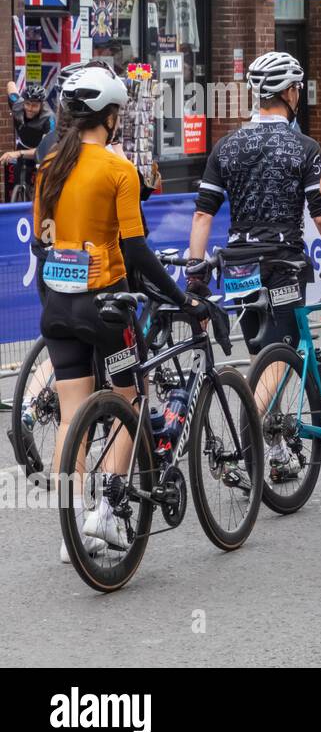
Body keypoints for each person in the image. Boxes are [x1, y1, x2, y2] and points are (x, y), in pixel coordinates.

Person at [35, 67, 196, 562]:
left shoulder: (49, 166)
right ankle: (104, 513)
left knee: (71, 416)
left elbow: (43, 241)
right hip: (106, 305)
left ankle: (71, 529)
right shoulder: (117, 169)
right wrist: (181, 298)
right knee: (131, 401)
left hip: (57, 303)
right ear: (108, 116)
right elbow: (136, 251)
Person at [190, 52, 321, 483]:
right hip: (282, 264)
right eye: (298, 88)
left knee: (265, 357)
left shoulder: (227, 145)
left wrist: (194, 271)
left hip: (238, 265)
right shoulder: (304, 148)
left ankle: (278, 451)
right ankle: (246, 450)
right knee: (279, 361)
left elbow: (203, 214)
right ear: (289, 92)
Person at [3, 81, 54, 197]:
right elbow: (10, 84)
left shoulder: (49, 118)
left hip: (40, 150)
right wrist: (13, 85)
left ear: (42, 105)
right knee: (17, 179)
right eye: (28, 104)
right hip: (23, 145)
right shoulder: (17, 104)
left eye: (35, 105)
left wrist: (19, 153)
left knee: (42, 186)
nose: (30, 109)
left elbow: (46, 149)